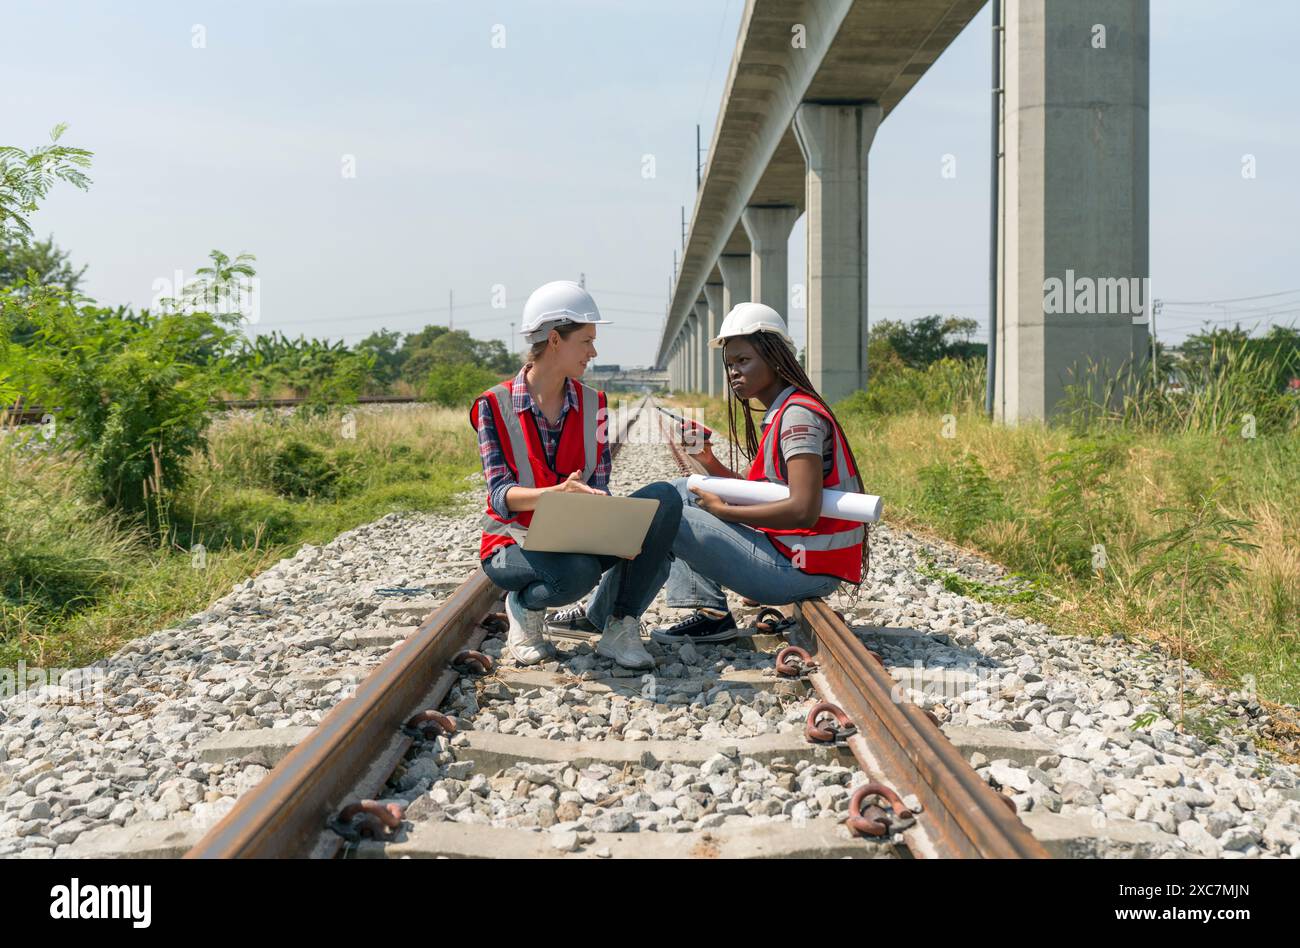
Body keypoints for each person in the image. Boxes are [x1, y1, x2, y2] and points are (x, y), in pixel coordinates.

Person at [471, 280, 681, 669]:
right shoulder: (493, 404)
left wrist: (621, 527)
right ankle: (523, 605)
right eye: (585, 340)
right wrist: (555, 495)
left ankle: (620, 627)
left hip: (574, 535)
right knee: (578, 575)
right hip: (513, 543)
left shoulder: (594, 402)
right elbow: (500, 494)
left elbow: (599, 484)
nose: (594, 351)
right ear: (554, 339)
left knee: (666, 498)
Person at [649, 302, 869, 644]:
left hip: (802, 570)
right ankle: (712, 615)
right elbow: (762, 492)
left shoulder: (797, 417)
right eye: (730, 363)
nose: (734, 372)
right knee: (679, 490)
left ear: (775, 358)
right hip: (797, 559)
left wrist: (724, 511)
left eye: (744, 361)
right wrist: (709, 463)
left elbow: (802, 510)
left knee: (667, 512)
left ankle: (608, 616)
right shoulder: (784, 410)